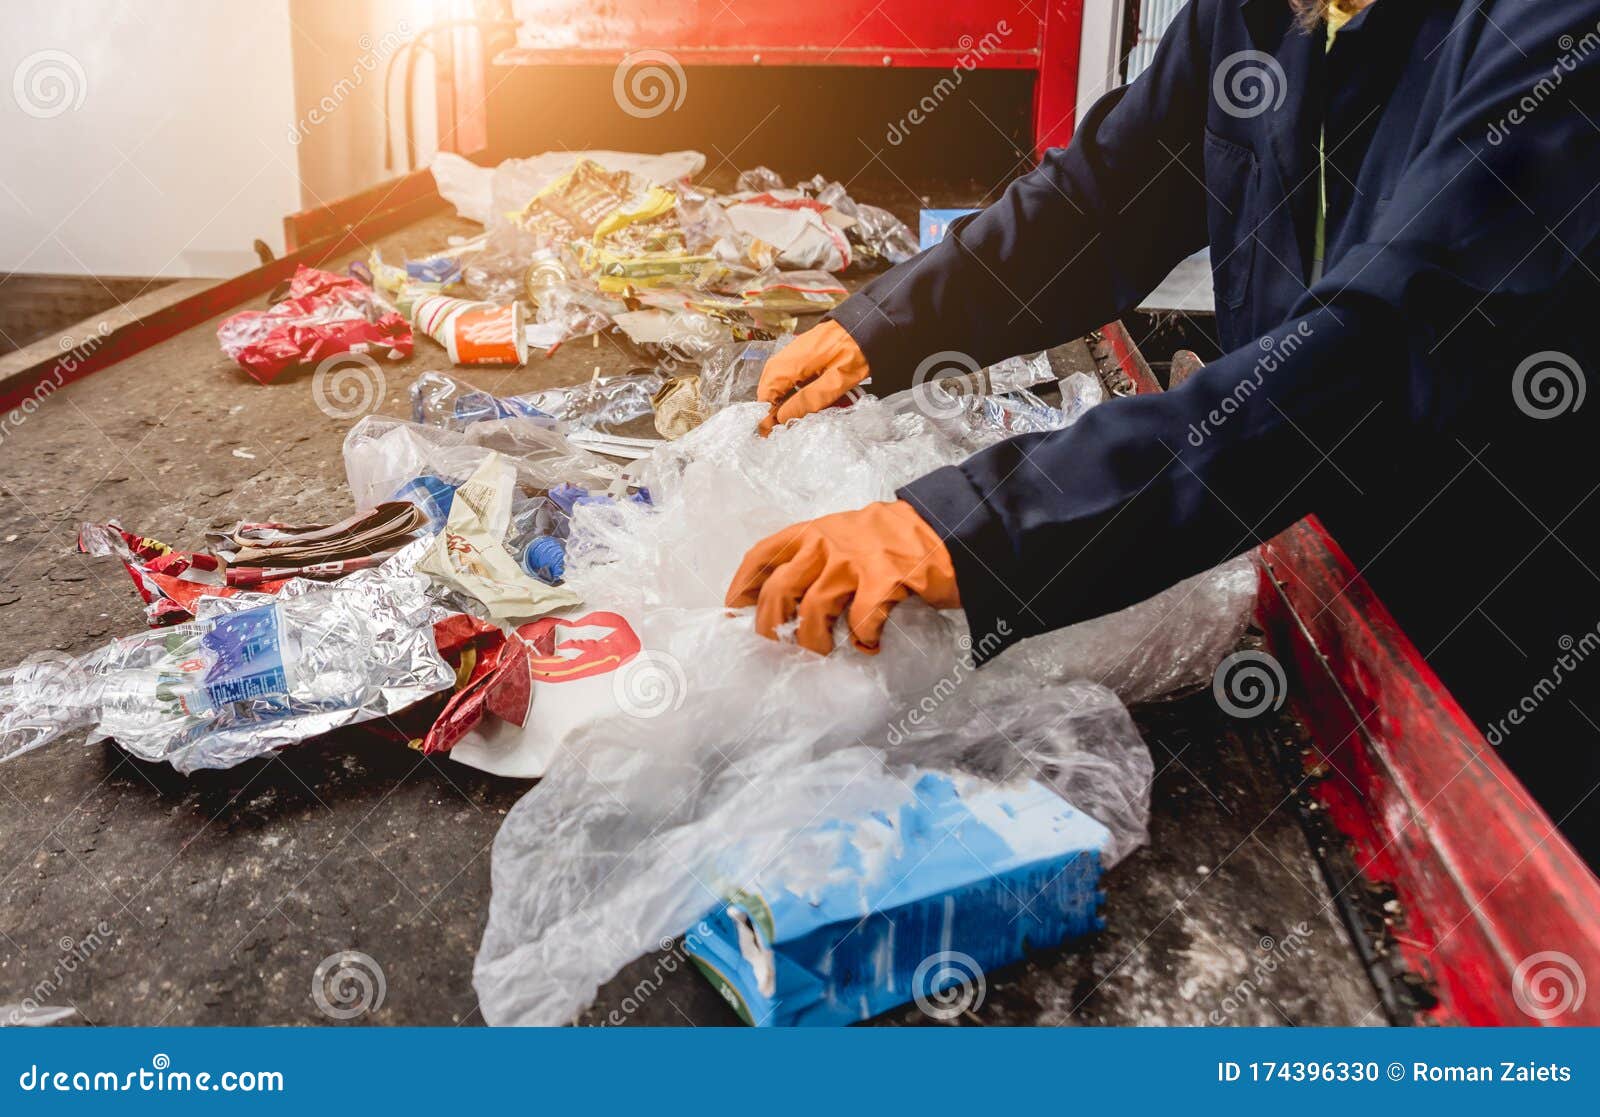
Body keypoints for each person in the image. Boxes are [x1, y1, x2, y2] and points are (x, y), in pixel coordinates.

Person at [725, 0, 1600, 865]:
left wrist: (974, 524)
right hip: (1312, 559)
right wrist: (883, 327)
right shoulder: (1262, 13)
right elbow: (1103, 202)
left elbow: (1373, 352)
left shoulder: (1551, 36)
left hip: (1507, 636)